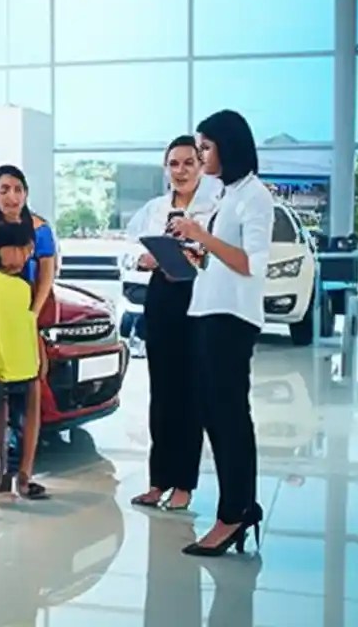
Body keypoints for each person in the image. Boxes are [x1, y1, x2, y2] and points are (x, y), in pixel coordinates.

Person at [169, 109, 274, 556]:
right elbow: (224, 260)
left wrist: (201, 234)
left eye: (206, 147)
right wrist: (198, 251)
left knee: (229, 416)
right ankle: (237, 509)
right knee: (214, 412)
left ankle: (235, 513)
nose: (201, 155)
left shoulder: (255, 197)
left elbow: (252, 263)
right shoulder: (228, 195)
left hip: (232, 318)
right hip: (209, 310)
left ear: (226, 147)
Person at [126, 136, 220, 511]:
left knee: (189, 392)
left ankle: (184, 484)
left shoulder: (213, 208)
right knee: (161, 392)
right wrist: (144, 260)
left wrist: (196, 252)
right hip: (162, 297)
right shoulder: (155, 208)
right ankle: (157, 480)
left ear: (200, 166)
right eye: (174, 164)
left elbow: (218, 255)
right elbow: (132, 251)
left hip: (197, 298)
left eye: (188, 163)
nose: (180, 171)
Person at [0, 165, 56, 500]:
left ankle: (24, 474)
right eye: (4, 189)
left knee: (32, 400)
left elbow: (48, 277)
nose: (11, 196)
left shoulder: (41, 229)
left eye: (17, 189)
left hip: (27, 324)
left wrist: (31, 318)